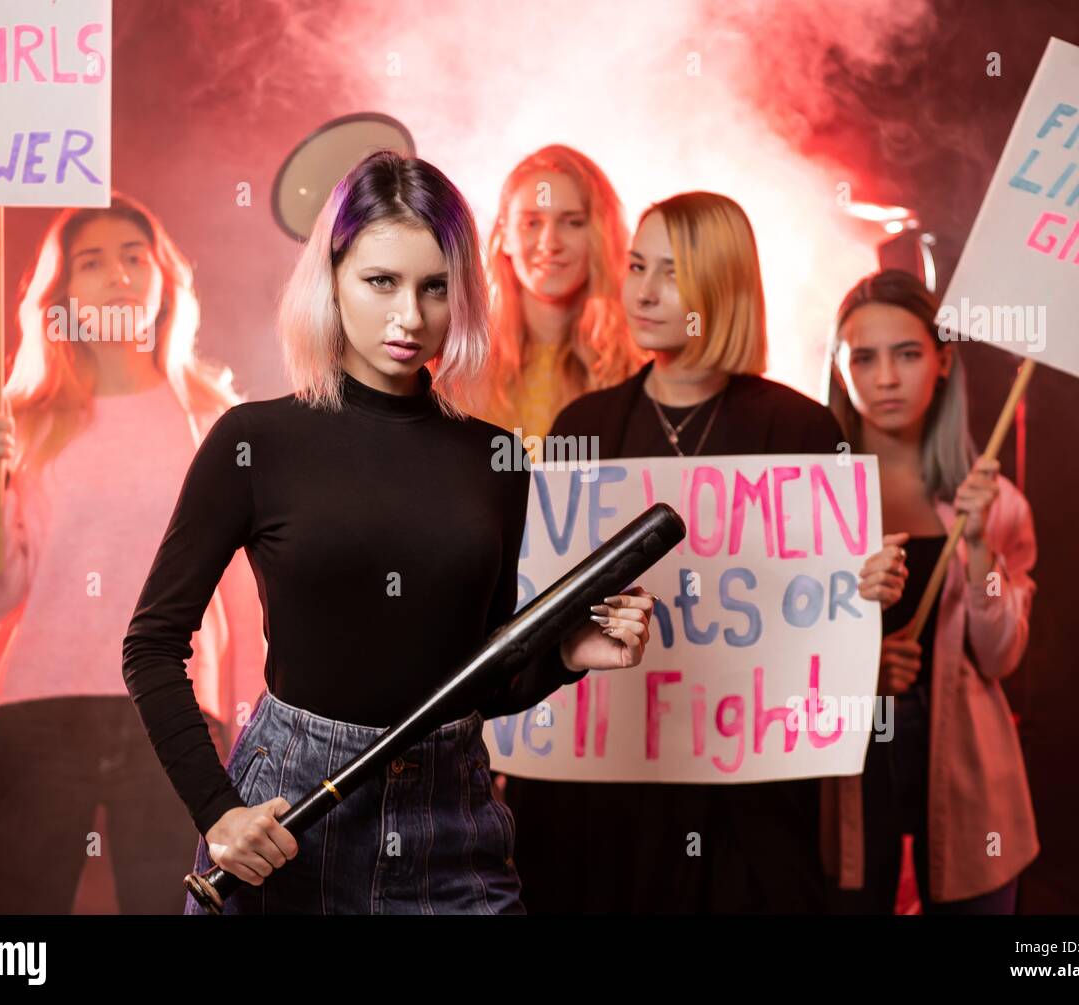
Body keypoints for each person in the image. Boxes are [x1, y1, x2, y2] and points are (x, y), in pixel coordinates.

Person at [121, 150, 654, 915]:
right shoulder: (255, 441)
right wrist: (219, 810)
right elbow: (151, 642)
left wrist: (569, 654)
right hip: (288, 819)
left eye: (435, 287)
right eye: (382, 282)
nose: (411, 316)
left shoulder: (495, 457)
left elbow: (477, 676)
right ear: (332, 277)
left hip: (452, 814)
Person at [504, 191, 899, 913]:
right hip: (599, 802)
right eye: (635, 266)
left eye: (672, 272)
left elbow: (833, 622)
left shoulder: (804, 430)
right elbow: (543, 606)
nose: (644, 292)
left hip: (745, 810)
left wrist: (871, 585)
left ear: (720, 287)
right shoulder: (583, 424)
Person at [0, 193, 261, 914]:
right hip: (36, 715)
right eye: (91, 261)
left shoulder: (210, 419)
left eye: (133, 256)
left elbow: (243, 598)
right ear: (60, 295)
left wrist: (249, 733)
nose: (117, 274)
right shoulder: (18, 421)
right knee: (12, 947)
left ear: (162, 281)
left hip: (176, 716)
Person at [820, 269, 1039, 913]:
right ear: (840, 368)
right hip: (846, 778)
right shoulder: (808, 502)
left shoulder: (996, 505)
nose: (886, 377)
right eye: (865, 357)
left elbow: (1002, 657)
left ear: (943, 361)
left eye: (908, 354)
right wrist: (861, 671)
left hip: (971, 780)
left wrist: (978, 553)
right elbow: (772, 650)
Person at [475, 145, 645, 445]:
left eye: (572, 222)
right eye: (531, 222)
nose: (550, 243)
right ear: (505, 235)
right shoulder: (463, 364)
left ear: (602, 235)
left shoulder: (641, 365)